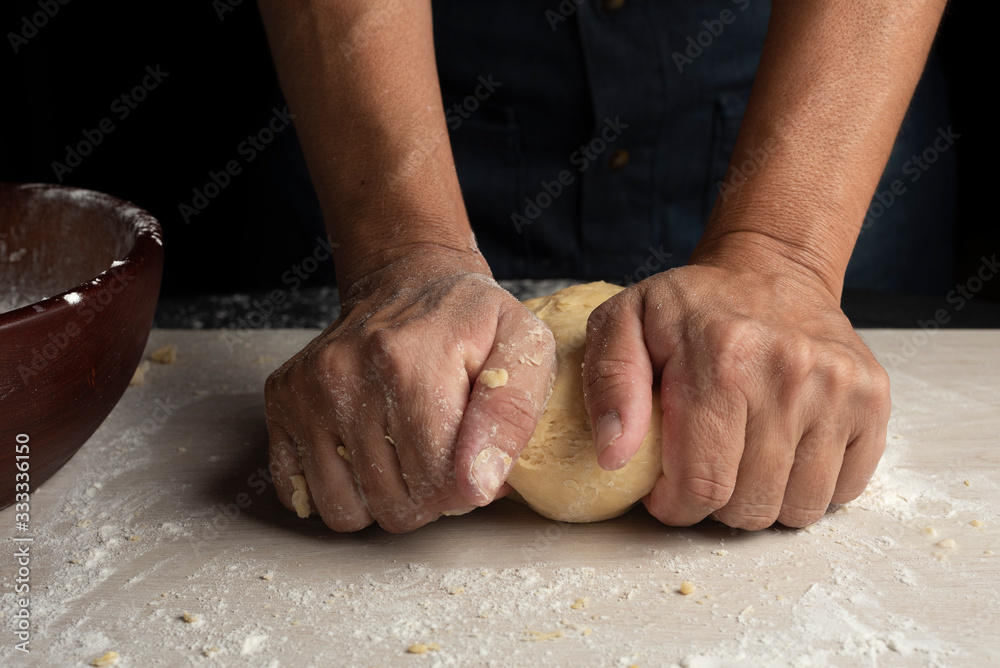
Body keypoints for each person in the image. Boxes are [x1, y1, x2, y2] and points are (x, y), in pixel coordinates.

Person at [257, 0, 950, 533]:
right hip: (393, 90)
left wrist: (783, 255)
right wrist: (398, 250)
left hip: (803, 84)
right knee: (397, 383)